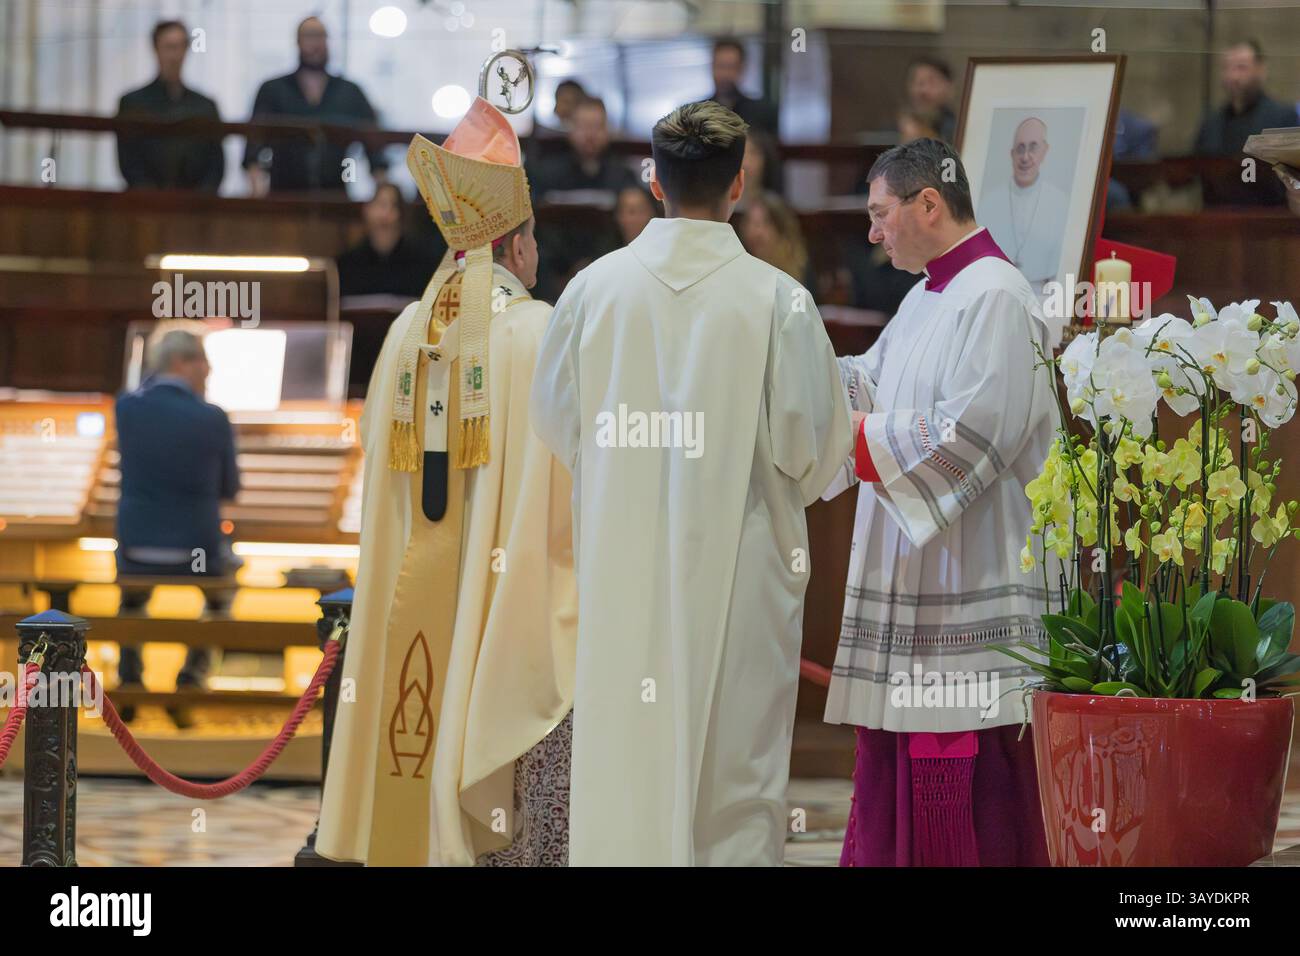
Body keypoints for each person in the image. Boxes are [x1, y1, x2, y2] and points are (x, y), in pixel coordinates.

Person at [530, 100, 852, 866]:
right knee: (732, 783)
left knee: (623, 770)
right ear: (739, 183)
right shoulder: (779, 301)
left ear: (655, 181)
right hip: (741, 581)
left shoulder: (591, 292)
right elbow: (814, 452)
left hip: (621, 571)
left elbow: (558, 423)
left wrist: (627, 476)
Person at [317, 97, 576, 867]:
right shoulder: (536, 331)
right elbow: (566, 482)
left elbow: (373, 448)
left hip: (410, 599)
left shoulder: (403, 329)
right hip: (492, 601)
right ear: (518, 246)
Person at [822, 138, 1057, 867]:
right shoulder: (931, 292)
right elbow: (871, 382)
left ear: (928, 203)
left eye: (880, 213)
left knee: (966, 762)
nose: (872, 232)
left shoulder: (996, 294)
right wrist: (796, 376)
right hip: (922, 566)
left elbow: (970, 434)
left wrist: (857, 437)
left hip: (968, 572)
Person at [114, 330, 239, 724]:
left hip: (136, 550)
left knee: (132, 599)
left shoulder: (127, 409)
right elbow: (230, 488)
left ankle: (129, 684)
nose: (209, 372)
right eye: (204, 362)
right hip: (197, 555)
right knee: (222, 592)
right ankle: (190, 682)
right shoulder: (212, 417)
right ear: (182, 363)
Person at [242, 16, 387, 194]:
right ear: (297, 42)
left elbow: (375, 152)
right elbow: (253, 151)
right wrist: (257, 196)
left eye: (320, 36)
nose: (315, 43)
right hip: (283, 197)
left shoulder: (351, 92)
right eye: (309, 36)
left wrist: (383, 201)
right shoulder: (272, 90)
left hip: (336, 198)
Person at [115, 20, 224, 192]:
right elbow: (129, 162)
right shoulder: (133, 103)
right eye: (169, 47)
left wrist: (200, 200)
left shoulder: (205, 106)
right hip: (145, 206)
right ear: (156, 49)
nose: (175, 55)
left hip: (196, 208)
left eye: (180, 47)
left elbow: (216, 164)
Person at [1194, 40, 1298, 205]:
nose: (1233, 76)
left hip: (1265, 221)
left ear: (1261, 70)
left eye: (1241, 67)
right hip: (1216, 220)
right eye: (1227, 68)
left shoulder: (1282, 118)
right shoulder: (1211, 122)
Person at [976, 116, 1072, 288]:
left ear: (1044, 151)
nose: (1025, 157)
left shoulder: (1062, 204)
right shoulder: (988, 203)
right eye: (1020, 149)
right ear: (1012, 154)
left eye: (1033, 148)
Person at [335, 183, 433, 299]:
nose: (386, 215)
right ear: (367, 211)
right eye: (381, 205)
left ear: (401, 215)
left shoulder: (421, 264)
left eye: (393, 206)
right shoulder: (347, 264)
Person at [529, 97, 635, 202]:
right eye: (583, 127)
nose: (590, 135)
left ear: (607, 132)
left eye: (597, 127)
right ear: (571, 131)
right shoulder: (546, 174)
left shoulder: (622, 175)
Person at [739, 190, 813, 294]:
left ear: (781, 228)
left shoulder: (800, 266)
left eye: (765, 223)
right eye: (751, 223)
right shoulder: (740, 268)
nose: (756, 232)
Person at [708, 38, 778, 135]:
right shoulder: (695, 115)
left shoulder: (762, 112)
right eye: (720, 66)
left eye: (731, 67)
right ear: (712, 67)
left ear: (742, 69)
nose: (725, 74)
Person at [905, 57, 956, 144]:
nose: (922, 91)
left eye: (932, 82)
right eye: (918, 82)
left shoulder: (957, 130)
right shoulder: (892, 129)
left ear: (949, 88)